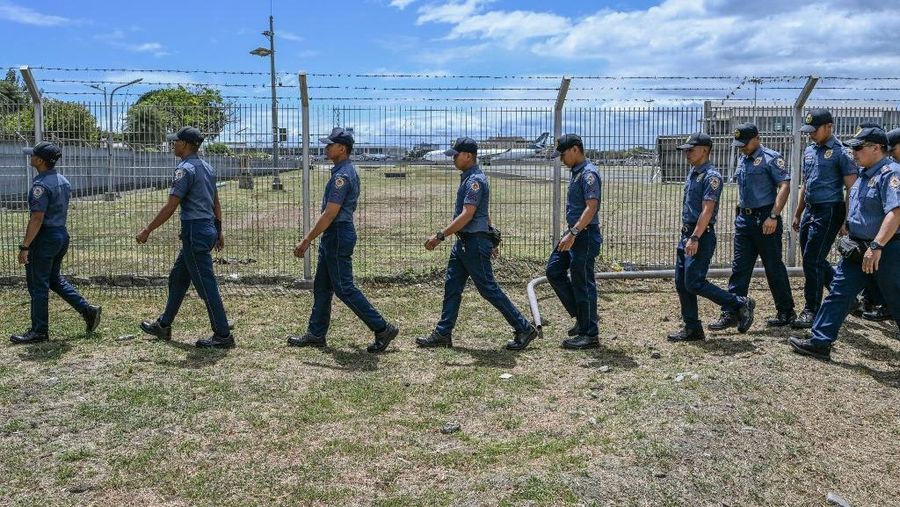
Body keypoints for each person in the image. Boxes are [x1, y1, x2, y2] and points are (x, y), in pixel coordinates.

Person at [415, 137, 537, 351]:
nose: (453, 158)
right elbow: (483, 214)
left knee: (488, 289)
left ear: (468, 156)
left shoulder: (475, 181)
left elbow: (468, 214)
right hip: (464, 244)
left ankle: (523, 327)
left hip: (472, 243)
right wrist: (492, 237)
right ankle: (443, 333)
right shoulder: (469, 178)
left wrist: (440, 236)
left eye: (456, 155)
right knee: (452, 286)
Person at [790, 126, 900, 360]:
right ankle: (820, 342)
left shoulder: (891, 174)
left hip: (886, 250)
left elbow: (896, 213)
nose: (854, 153)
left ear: (877, 148)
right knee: (838, 293)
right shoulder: (863, 173)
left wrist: (877, 245)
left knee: (896, 298)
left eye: (859, 148)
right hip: (858, 249)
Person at [288, 127, 399, 353]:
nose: (326, 148)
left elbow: (330, 213)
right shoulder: (342, 171)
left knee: (345, 289)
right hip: (334, 235)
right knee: (322, 287)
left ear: (343, 148)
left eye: (330, 145)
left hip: (338, 234)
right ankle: (316, 333)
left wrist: (307, 239)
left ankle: (382, 327)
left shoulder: (342, 176)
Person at [136, 126, 234, 349]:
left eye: (176, 141)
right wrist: (219, 230)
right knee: (178, 278)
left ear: (186, 144)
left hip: (194, 232)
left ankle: (223, 335)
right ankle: (163, 324)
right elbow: (215, 202)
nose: (173, 144)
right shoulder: (207, 168)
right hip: (206, 228)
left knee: (206, 285)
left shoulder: (185, 169)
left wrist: (147, 230)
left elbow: (171, 205)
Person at [10, 142, 101, 344]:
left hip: (44, 239)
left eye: (33, 155)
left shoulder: (40, 185)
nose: (30, 157)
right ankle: (87, 310)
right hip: (60, 235)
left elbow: (37, 218)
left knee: (38, 285)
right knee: (53, 279)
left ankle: (39, 331)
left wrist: (25, 246)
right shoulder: (63, 181)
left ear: (40, 161)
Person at [667, 133, 754, 342]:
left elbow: (707, 210)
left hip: (700, 235)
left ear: (705, 150)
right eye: (686, 150)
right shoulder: (694, 172)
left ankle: (739, 302)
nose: (687, 153)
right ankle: (692, 328)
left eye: (691, 149)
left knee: (694, 282)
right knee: (682, 282)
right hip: (687, 233)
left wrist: (695, 237)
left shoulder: (711, 176)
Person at [708, 123, 794, 331]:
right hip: (744, 220)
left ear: (757, 138)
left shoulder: (771, 158)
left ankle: (786, 311)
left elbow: (785, 185)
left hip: (766, 219)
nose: (742, 148)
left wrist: (774, 215)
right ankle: (732, 311)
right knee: (739, 268)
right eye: (739, 145)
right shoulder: (742, 158)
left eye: (745, 144)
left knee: (773, 267)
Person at [791, 110, 859, 328]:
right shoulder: (810, 150)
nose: (810, 135)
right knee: (813, 259)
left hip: (830, 210)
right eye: (808, 131)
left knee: (813, 259)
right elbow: (806, 183)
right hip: (810, 210)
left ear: (829, 127)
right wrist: (798, 212)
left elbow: (851, 188)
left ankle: (811, 309)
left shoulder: (842, 152)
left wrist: (847, 220)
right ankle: (846, 299)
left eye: (814, 130)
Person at [544, 134, 604, 349]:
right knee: (553, 271)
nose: (561, 158)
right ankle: (582, 317)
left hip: (583, 235)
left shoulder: (588, 174)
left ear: (575, 149)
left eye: (563, 153)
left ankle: (590, 334)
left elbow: (591, 207)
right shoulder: (577, 173)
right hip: (574, 233)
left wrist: (574, 232)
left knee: (583, 282)